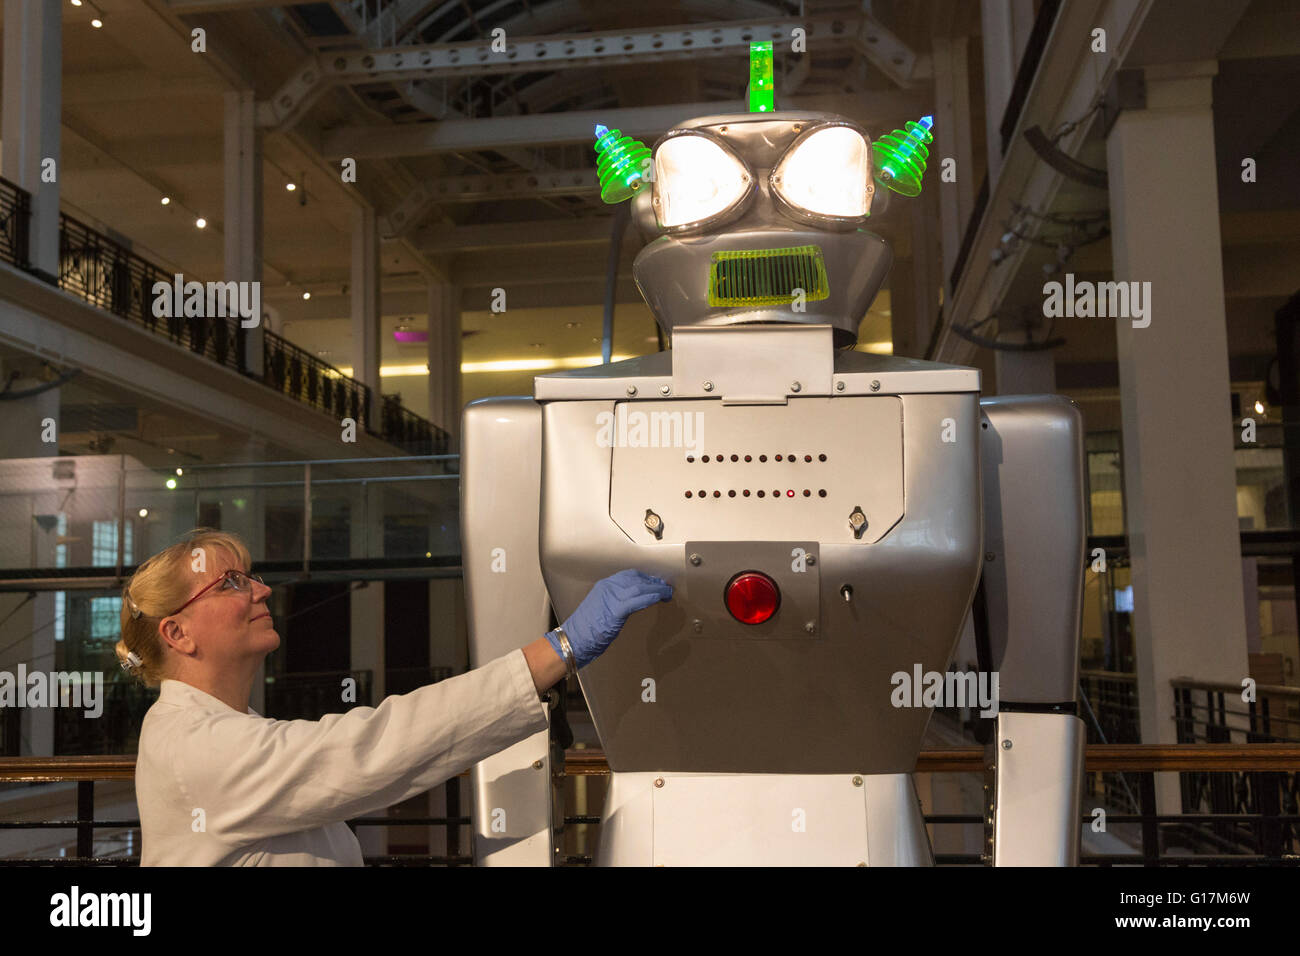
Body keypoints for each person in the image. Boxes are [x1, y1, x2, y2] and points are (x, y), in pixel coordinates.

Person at [115, 528, 671, 866]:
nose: (261, 589)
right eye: (232, 583)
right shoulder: (196, 750)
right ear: (177, 634)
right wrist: (558, 650)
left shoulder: (221, 732)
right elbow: (370, 749)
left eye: (251, 577)